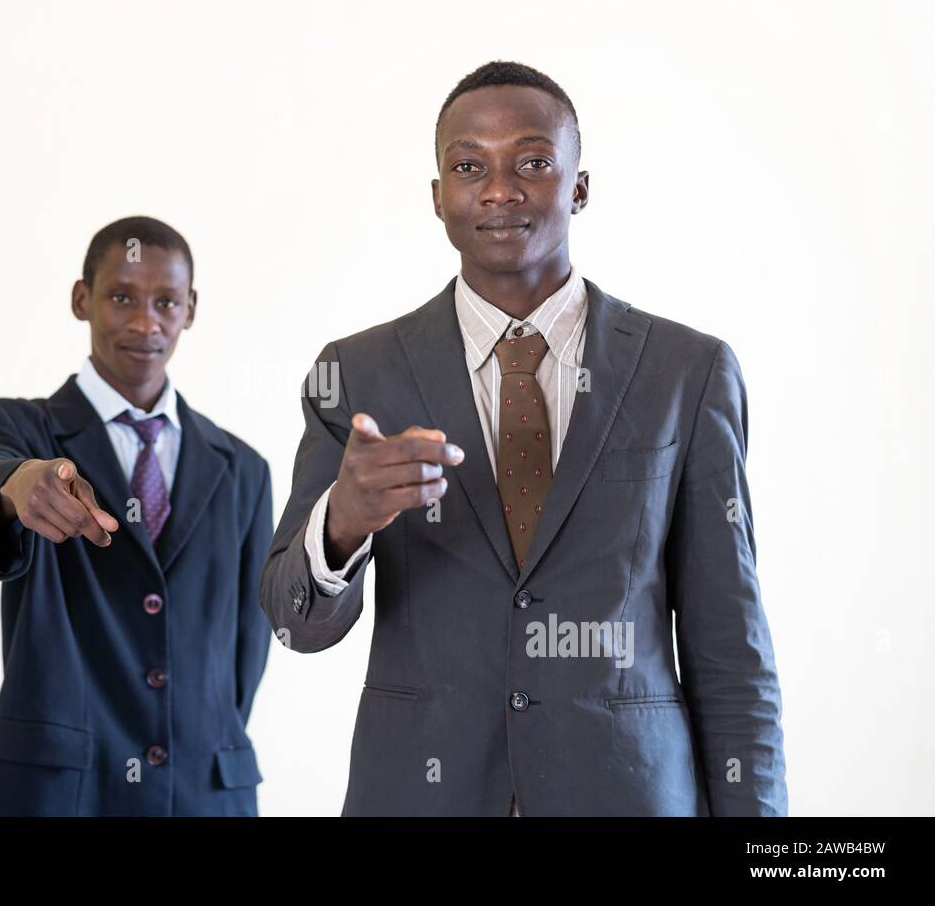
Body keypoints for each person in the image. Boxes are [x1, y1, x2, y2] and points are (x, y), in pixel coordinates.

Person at [259, 61, 788, 816]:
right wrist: (341, 525)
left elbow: (731, 647)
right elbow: (292, 623)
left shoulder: (686, 371)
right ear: (437, 195)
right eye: (469, 165)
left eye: (533, 163)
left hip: (629, 793)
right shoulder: (356, 374)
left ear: (578, 185)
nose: (500, 189)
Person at [0, 216, 273, 815]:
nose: (146, 323)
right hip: (59, 792)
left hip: (204, 793)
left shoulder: (243, 470)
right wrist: (16, 485)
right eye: (121, 297)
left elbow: (243, 661)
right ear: (81, 299)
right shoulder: (19, 430)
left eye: (166, 302)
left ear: (190, 310)